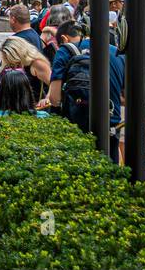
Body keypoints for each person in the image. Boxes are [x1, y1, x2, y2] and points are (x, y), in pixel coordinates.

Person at [46, 20, 125, 163]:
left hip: (76, 125)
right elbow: (125, 97)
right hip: (111, 123)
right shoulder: (117, 53)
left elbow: (54, 98)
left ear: (64, 39)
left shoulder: (64, 51)